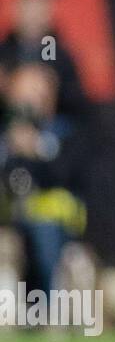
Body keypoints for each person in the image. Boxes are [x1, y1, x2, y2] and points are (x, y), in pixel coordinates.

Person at [0, 64, 85, 298]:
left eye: (37, 95)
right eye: (23, 95)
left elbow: (66, 176)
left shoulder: (63, 134)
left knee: (45, 233)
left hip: (54, 226)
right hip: (10, 221)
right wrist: (11, 151)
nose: (30, 103)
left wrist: (36, 149)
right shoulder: (5, 137)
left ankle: (49, 308)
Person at [0, 0, 85, 121]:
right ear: (16, 6)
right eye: (29, 3)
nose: (33, 12)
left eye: (39, 5)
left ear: (49, 9)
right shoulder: (4, 51)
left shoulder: (55, 51)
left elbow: (75, 105)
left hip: (49, 135)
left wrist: (51, 84)